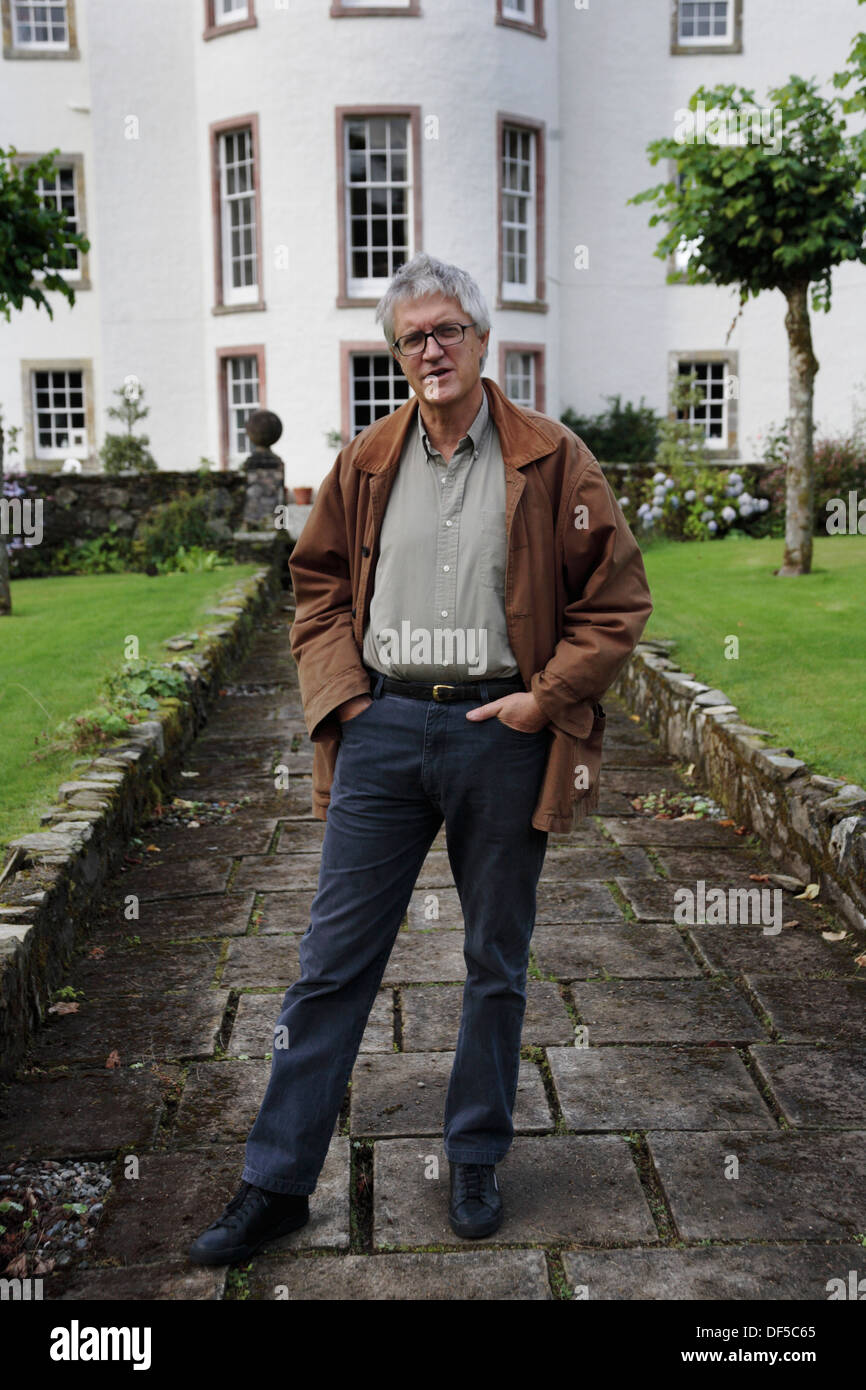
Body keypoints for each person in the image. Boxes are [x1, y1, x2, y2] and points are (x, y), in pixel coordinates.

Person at [189, 252, 652, 1265]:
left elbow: (614, 603)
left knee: (493, 959)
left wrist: (543, 699)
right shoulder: (365, 460)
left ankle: (475, 1153)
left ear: (481, 340)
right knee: (327, 966)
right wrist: (346, 700)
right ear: (394, 355)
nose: (430, 350)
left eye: (445, 330)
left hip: (502, 733)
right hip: (385, 732)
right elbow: (314, 589)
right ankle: (274, 1182)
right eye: (410, 337)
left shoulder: (552, 456)